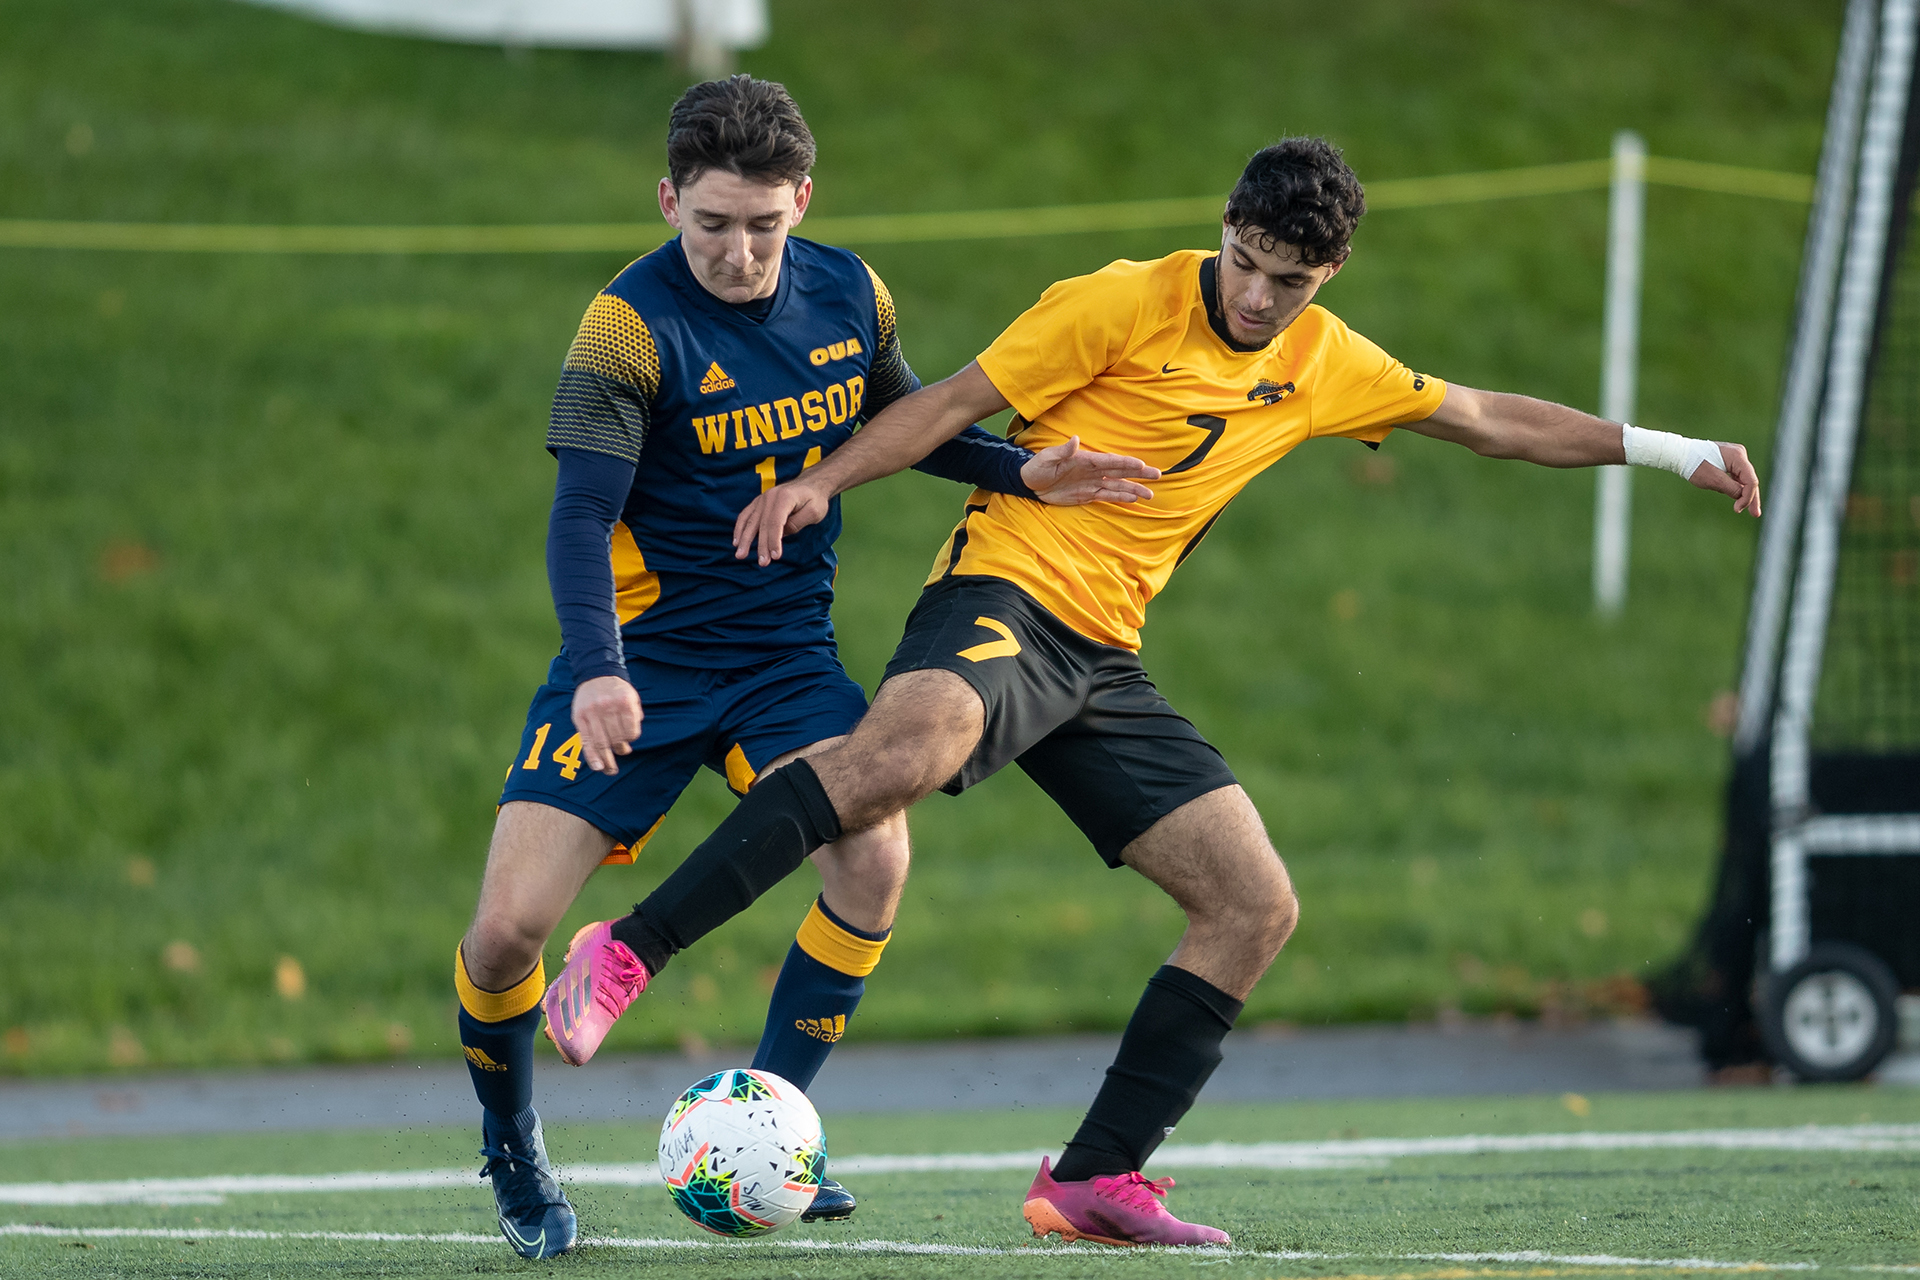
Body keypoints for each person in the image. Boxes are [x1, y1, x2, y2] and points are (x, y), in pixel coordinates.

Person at [547, 136, 1764, 1248]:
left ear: (1326, 276)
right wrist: (825, 482)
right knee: (898, 757)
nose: (1254, 295)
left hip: (1102, 657)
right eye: (1243, 262)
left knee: (1254, 903)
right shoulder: (1117, 302)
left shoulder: (1323, 362)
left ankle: (1095, 1176)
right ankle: (629, 949)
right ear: (1223, 230)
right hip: (1003, 594)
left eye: (1286, 280)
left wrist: (1671, 449)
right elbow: (944, 404)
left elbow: (1489, 417)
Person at [454, 74, 1157, 1260]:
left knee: (875, 855)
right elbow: (581, 516)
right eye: (711, 222)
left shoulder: (850, 289)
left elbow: (906, 422)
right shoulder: (625, 326)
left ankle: (773, 1128)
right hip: (644, 660)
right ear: (669, 199)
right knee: (506, 932)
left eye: (763, 224)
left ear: (802, 201)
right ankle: (514, 1146)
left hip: (783, 655)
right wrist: (596, 666)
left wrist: (1020, 471)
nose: (737, 251)